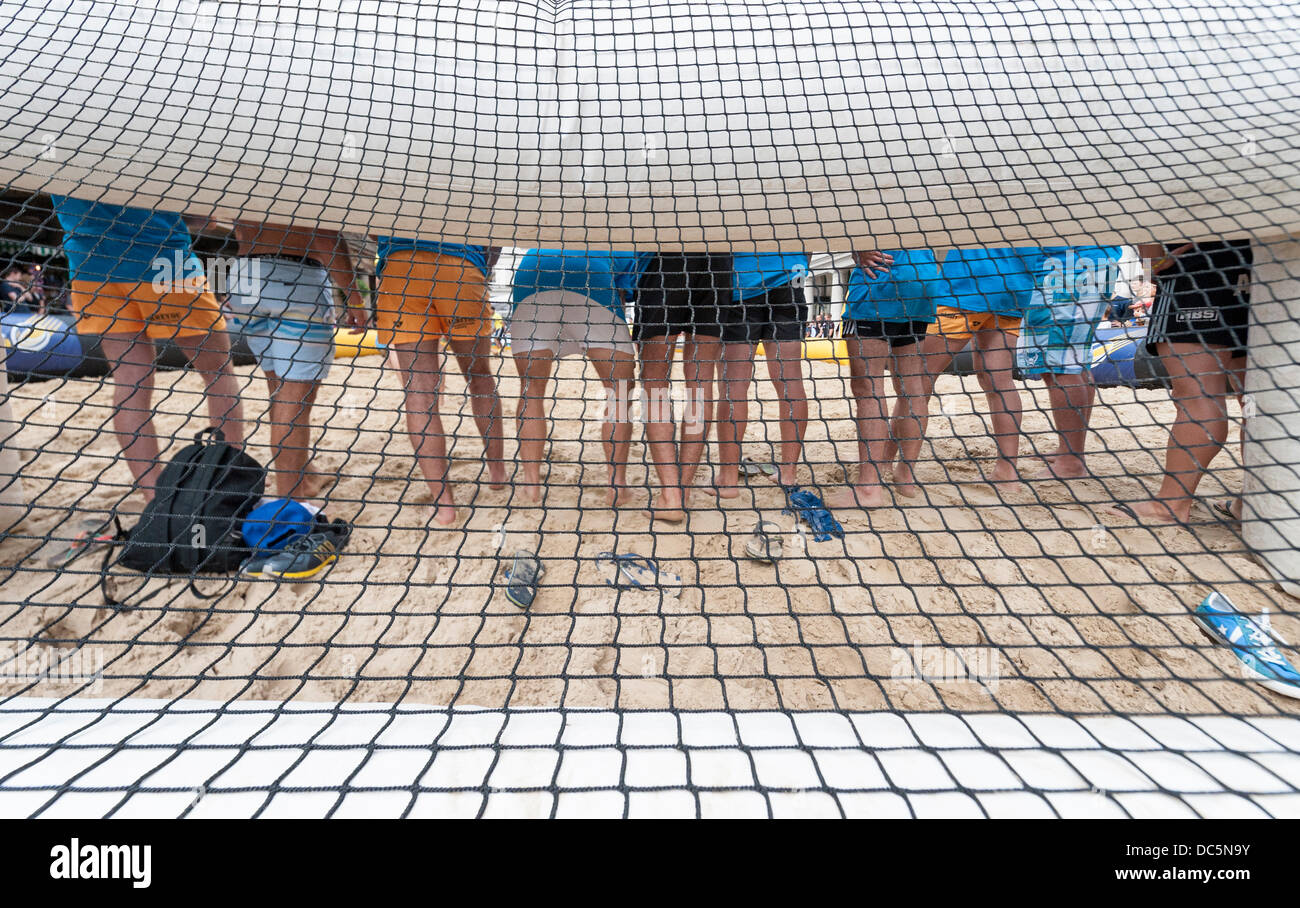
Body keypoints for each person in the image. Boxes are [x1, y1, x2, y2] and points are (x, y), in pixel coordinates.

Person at [51, 196, 244, 499]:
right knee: (218, 372)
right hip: (164, 262)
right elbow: (204, 218)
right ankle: (227, 479)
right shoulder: (152, 147)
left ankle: (155, 497)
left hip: (91, 267)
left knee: (130, 381)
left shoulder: (60, 151)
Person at [193, 219, 367, 499]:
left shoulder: (241, 175)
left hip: (244, 275)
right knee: (296, 397)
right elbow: (325, 237)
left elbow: (210, 223)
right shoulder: (309, 177)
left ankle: (303, 471)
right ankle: (293, 494)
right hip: (295, 276)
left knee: (278, 385)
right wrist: (355, 298)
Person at [1111, 240, 1252, 524]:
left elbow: (1150, 227)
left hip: (1199, 271)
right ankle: (1255, 501)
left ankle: (1171, 505)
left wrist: (1152, 265)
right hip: (1261, 268)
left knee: (1197, 397)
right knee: (1255, 400)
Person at [373, 235, 506, 525]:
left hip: (401, 267)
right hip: (459, 265)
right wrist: (480, 267)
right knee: (480, 378)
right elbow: (493, 235)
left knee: (419, 389)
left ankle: (444, 505)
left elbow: (372, 229)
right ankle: (497, 473)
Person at [895, 247, 1039, 492]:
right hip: (1014, 288)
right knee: (999, 381)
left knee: (916, 379)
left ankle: (893, 467)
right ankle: (1007, 472)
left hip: (967, 284)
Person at [509, 249, 638, 507]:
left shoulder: (547, 228)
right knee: (619, 391)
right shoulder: (624, 237)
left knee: (531, 390)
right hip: (592, 275)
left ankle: (530, 487)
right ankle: (617, 487)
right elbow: (621, 299)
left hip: (532, 273)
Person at [833, 249, 950, 506]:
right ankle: (905, 476)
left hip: (881, 279)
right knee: (911, 386)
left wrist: (857, 249)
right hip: (923, 278)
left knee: (868, 388)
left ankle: (868, 488)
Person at [631, 250, 730, 521]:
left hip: (665, 260)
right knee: (700, 383)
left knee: (654, 382)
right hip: (718, 262)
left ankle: (671, 495)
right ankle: (682, 491)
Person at [1017, 245, 1123, 481]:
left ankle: (1071, 461)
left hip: (1067, 268)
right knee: (1074, 361)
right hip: (1084, 265)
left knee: (1061, 366)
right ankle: (1070, 451)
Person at [714, 251, 811, 496]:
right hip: (791, 277)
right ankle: (788, 474)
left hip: (742, 281)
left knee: (733, 385)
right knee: (791, 382)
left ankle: (727, 479)